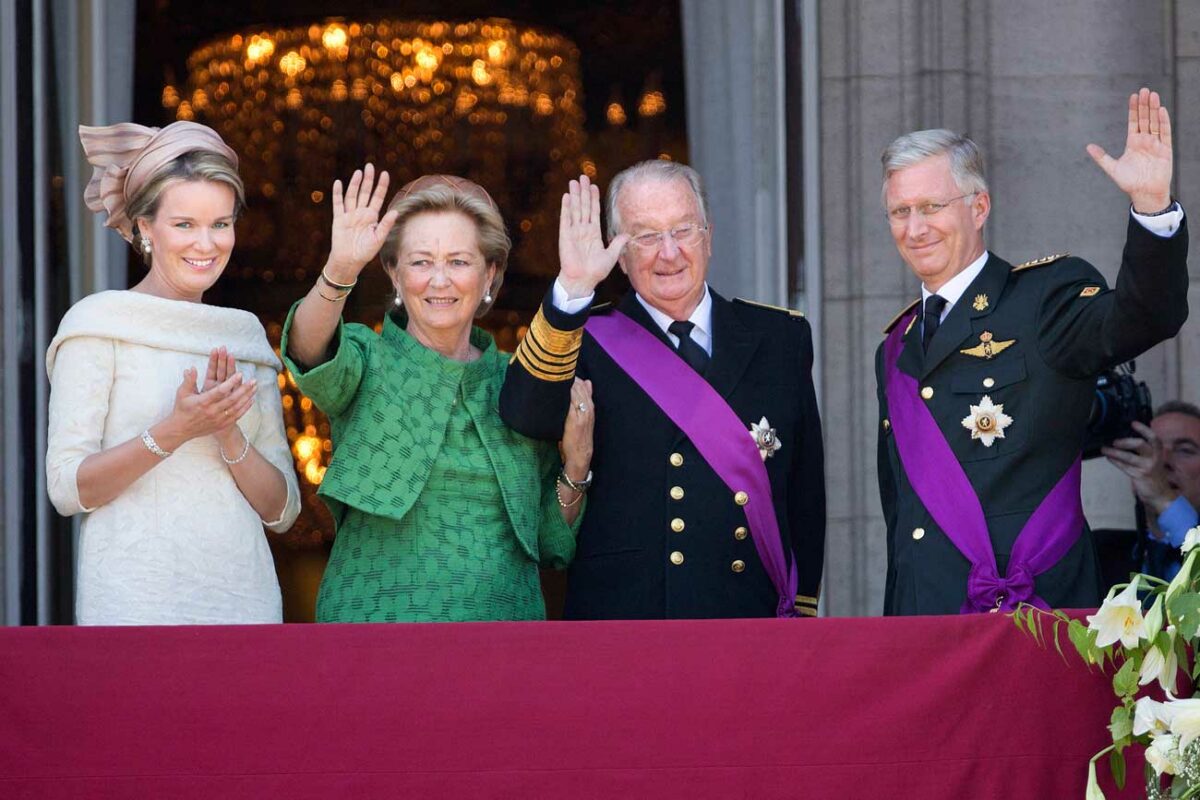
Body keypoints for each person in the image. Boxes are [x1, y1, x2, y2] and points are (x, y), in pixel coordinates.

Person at [876, 88, 1189, 615]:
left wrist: (1151, 209)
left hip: (1032, 612)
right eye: (899, 211)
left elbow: (1145, 317)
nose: (915, 228)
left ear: (979, 207)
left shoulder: (1043, 300)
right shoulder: (896, 345)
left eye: (932, 207)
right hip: (922, 625)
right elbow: (904, 521)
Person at [500, 161, 825, 619]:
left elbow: (805, 492)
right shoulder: (585, 338)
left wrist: (801, 605)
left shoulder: (779, 339)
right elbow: (523, 413)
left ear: (709, 235)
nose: (669, 253)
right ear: (620, 253)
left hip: (747, 615)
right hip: (627, 620)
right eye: (646, 236)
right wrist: (573, 287)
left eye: (683, 230)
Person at [282, 168, 592, 622]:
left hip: (504, 635)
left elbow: (550, 542)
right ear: (394, 273)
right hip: (373, 627)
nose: (440, 280)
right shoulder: (367, 359)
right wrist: (340, 269)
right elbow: (308, 351)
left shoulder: (521, 381)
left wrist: (577, 465)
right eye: (421, 261)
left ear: (491, 275)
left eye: (459, 262)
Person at [46, 121, 301, 625]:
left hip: (243, 603)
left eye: (221, 224)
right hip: (132, 602)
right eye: (184, 224)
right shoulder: (99, 324)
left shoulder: (244, 336)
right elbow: (68, 489)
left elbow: (283, 510)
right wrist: (175, 429)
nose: (206, 244)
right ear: (145, 227)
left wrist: (227, 433)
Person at [1103, 403, 1200, 580]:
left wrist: (1163, 497)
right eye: (1151, 449)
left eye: (1185, 450)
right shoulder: (1100, 551)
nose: (1161, 462)